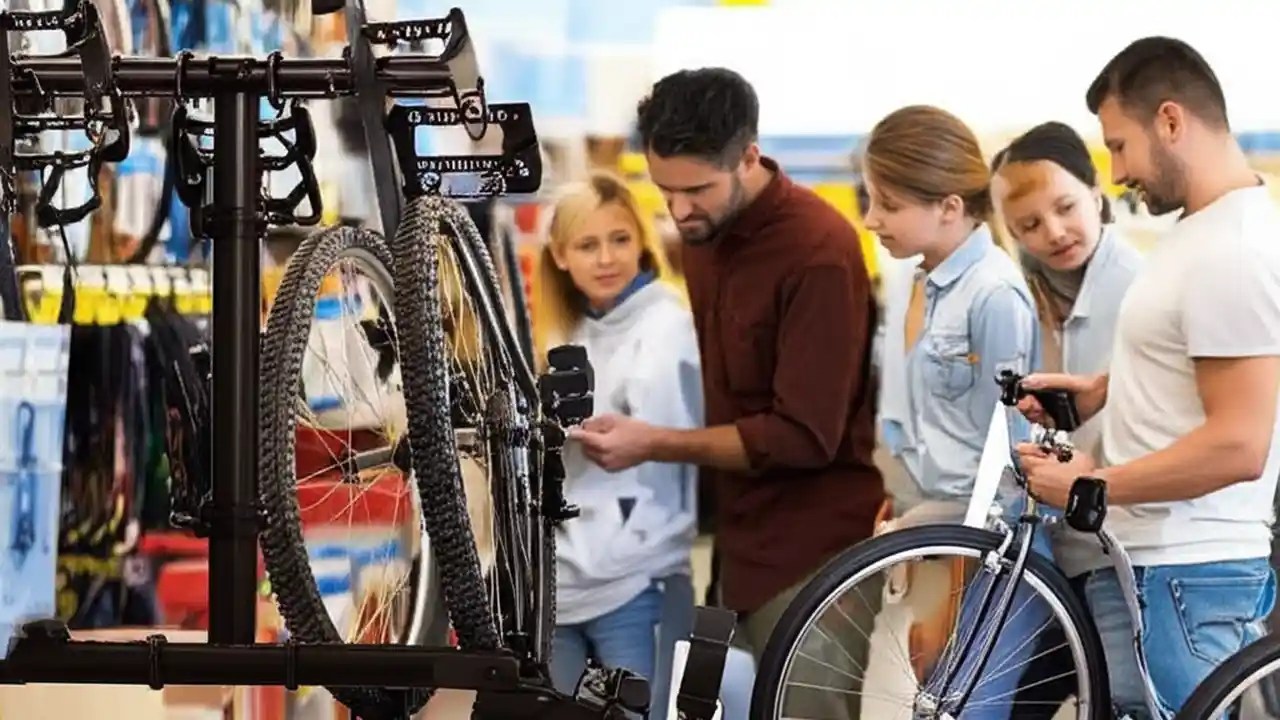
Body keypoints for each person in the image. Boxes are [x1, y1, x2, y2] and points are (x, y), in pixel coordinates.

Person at [569, 67, 885, 718]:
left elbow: (804, 436)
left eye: (697, 191)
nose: (680, 210)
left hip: (810, 561)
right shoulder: (703, 238)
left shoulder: (819, 252)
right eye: (664, 190)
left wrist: (652, 443)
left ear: (748, 157)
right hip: (733, 556)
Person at [1016, 36, 1280, 718]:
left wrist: (1090, 486)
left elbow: (1239, 445)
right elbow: (1198, 359)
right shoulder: (1201, 233)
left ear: (1170, 121)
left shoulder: (1232, 252)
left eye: (1119, 145)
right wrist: (1103, 389)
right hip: (1157, 568)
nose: (1115, 169)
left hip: (1188, 572)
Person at [866, 105, 1064, 719]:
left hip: (988, 541)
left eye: (888, 205)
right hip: (937, 530)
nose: (872, 220)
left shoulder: (994, 295)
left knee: (964, 707)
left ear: (949, 207)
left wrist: (930, 520)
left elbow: (1005, 458)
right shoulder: (919, 281)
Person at [534, 171, 701, 720]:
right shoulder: (565, 333)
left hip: (638, 578)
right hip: (561, 584)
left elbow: (665, 437)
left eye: (620, 239)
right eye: (588, 244)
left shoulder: (667, 325)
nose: (607, 258)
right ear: (560, 255)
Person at [990, 120, 1145, 578]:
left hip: (1126, 540)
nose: (1054, 233)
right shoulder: (1030, 297)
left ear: (1096, 194)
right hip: (1066, 538)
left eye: (1066, 207)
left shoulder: (1140, 288)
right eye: (1030, 224)